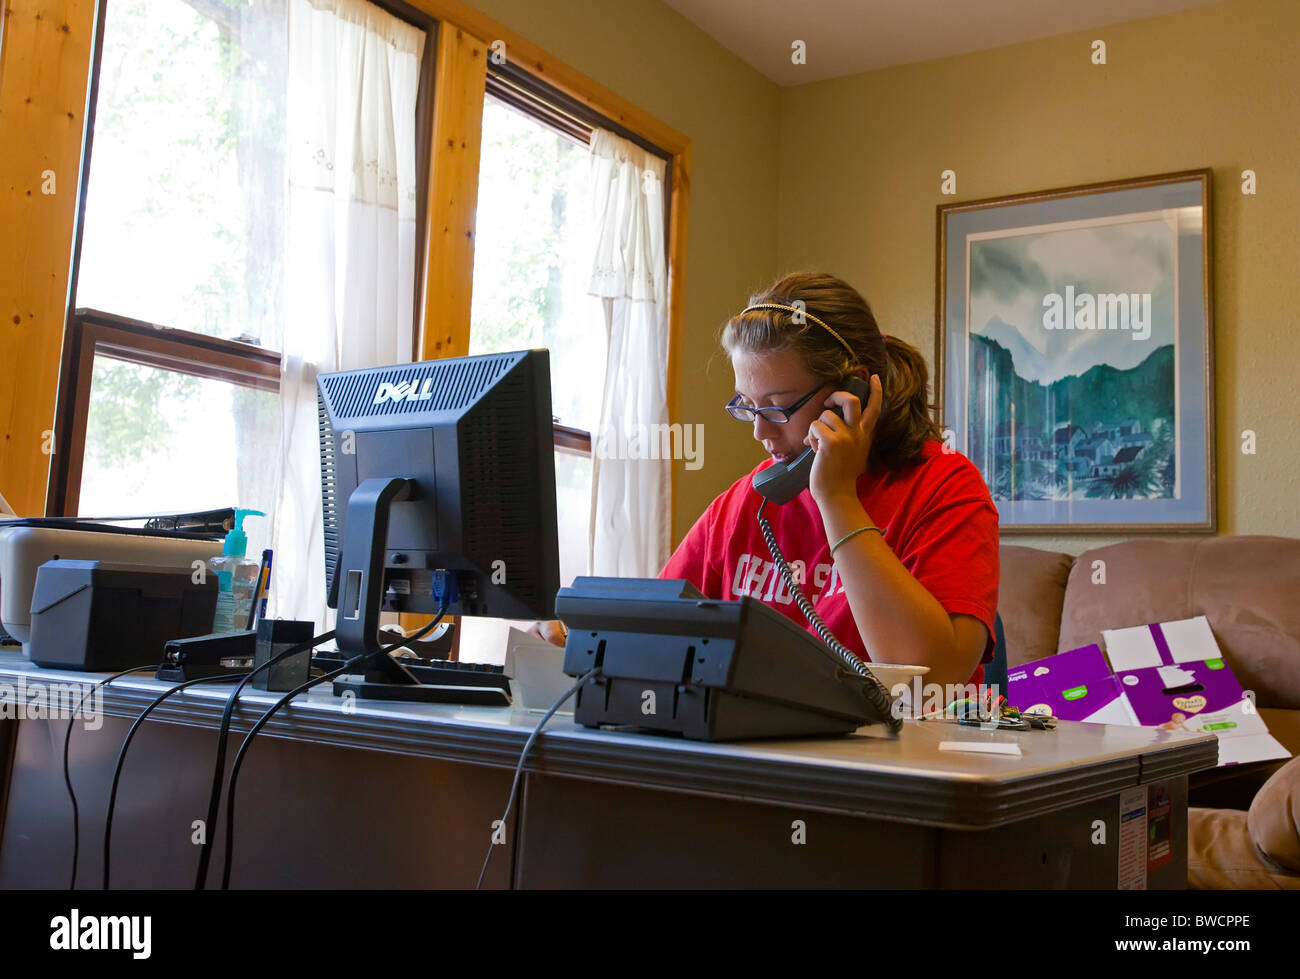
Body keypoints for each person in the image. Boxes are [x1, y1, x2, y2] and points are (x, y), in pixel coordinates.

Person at [537, 271, 999, 691]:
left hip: (909, 768)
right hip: (771, 764)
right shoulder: (749, 502)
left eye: (778, 406)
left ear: (851, 392)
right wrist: (585, 635)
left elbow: (930, 678)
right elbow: (663, 626)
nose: (760, 431)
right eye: (747, 406)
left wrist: (836, 498)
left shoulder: (946, 487)